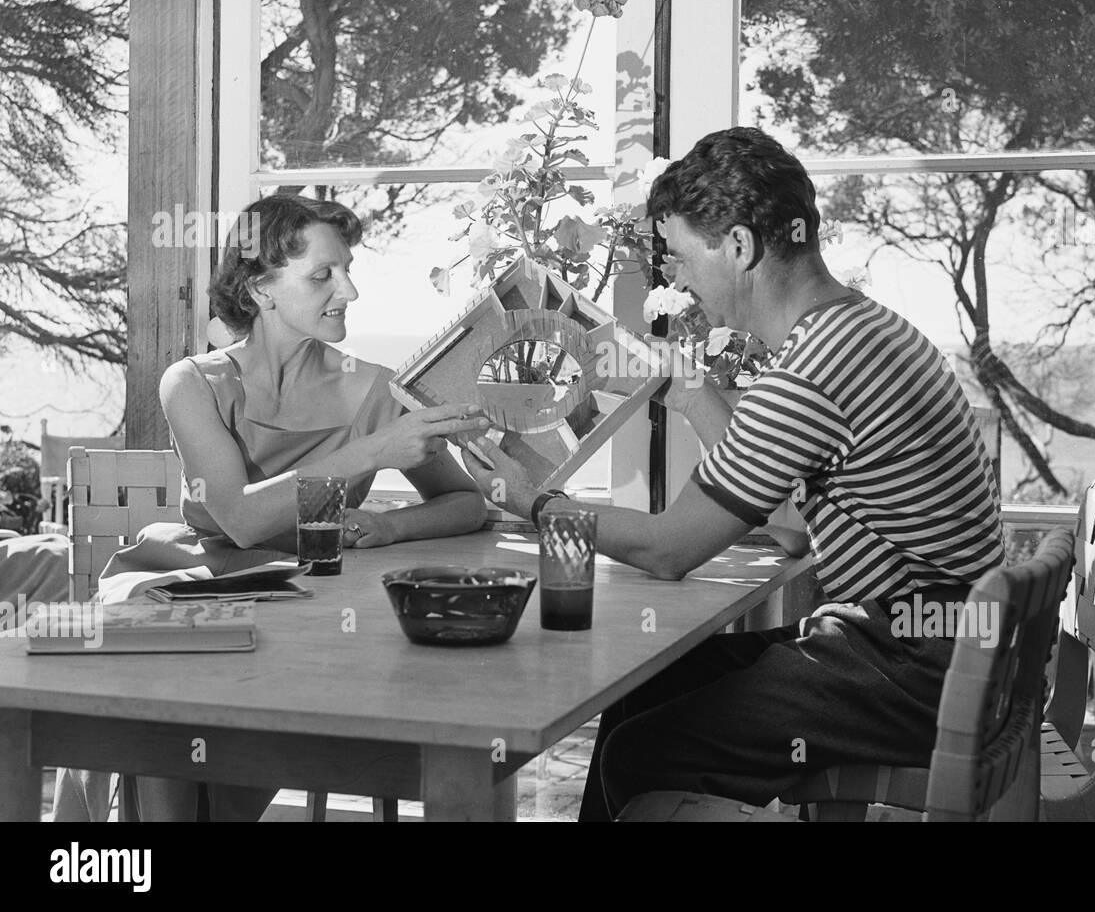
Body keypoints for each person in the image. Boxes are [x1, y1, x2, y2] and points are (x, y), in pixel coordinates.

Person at [461, 127, 1006, 821]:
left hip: (912, 666)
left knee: (639, 751)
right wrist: (689, 394)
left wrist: (534, 501)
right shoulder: (862, 331)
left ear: (740, 246)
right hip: (946, 646)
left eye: (684, 258)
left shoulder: (811, 370)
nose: (675, 280)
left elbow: (670, 550)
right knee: (643, 686)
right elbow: (790, 519)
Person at [45, 193, 491, 821]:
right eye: (324, 275)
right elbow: (241, 520)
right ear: (260, 289)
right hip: (188, 579)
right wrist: (373, 451)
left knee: (217, 714)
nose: (351, 290)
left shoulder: (375, 388)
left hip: (305, 599)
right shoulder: (193, 382)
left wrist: (389, 525)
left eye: (348, 267)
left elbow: (464, 502)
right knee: (144, 685)